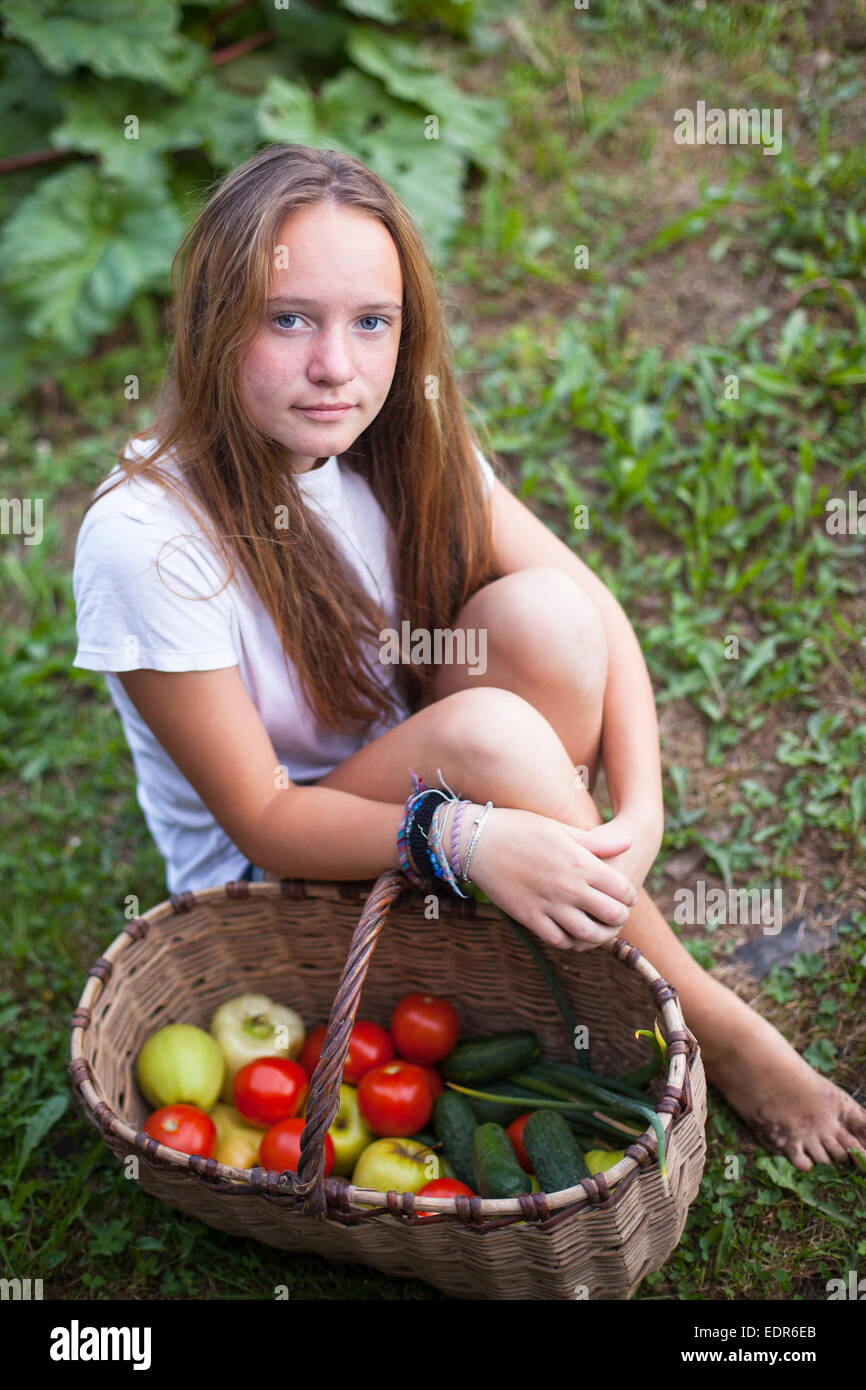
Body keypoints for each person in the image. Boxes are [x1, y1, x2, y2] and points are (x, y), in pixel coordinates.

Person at [73, 143, 865, 1175]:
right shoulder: (145, 534)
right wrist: (465, 834)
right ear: (211, 317)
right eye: (287, 319)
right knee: (484, 732)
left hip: (427, 772)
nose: (335, 366)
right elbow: (262, 814)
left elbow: (595, 613)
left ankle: (544, 900)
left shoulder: (395, 433)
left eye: (371, 322)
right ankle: (703, 1014)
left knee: (545, 617)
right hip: (277, 876)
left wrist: (642, 808)